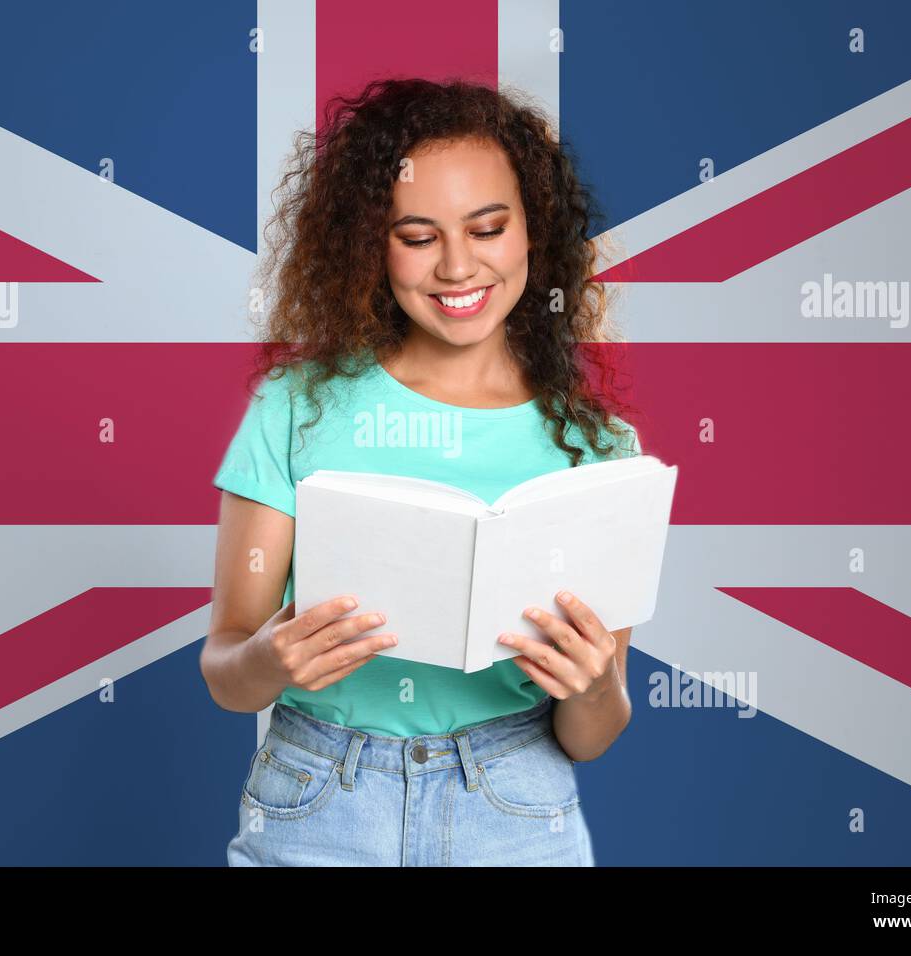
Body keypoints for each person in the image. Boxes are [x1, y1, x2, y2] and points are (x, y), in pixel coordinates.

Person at [203, 77, 644, 866]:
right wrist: (270, 658)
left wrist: (592, 687)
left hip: (515, 806)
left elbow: (592, 737)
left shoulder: (598, 449)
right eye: (417, 235)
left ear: (531, 232)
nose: (457, 266)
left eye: (488, 227)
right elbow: (227, 669)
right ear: (372, 243)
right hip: (318, 801)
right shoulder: (296, 410)